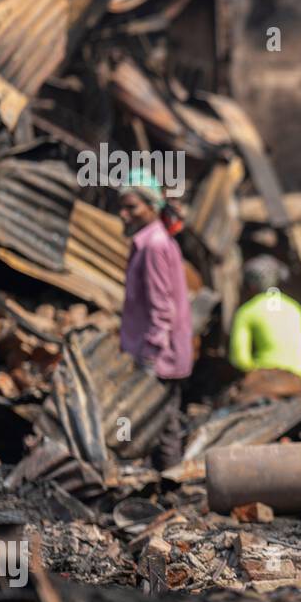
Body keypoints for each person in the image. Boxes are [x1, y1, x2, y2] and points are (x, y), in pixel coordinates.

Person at [118, 168, 192, 470]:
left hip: (159, 355)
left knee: (160, 426)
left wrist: (150, 356)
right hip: (157, 352)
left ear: (152, 207)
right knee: (162, 425)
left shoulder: (154, 245)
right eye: (122, 207)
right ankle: (169, 483)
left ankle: (173, 484)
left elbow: (162, 308)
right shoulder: (151, 242)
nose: (123, 214)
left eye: (132, 207)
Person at [229, 255, 301, 390]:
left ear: (251, 284)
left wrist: (253, 369)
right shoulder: (295, 308)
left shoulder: (247, 312)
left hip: (268, 380)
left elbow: (240, 359)